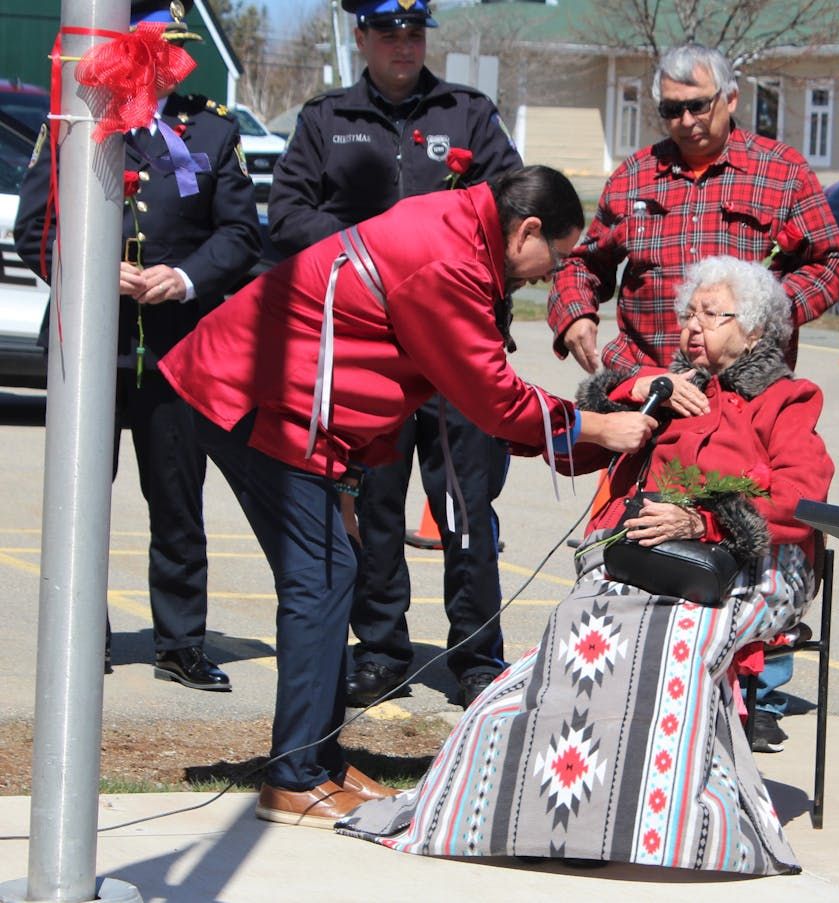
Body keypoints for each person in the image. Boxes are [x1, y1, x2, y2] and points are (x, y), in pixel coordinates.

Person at [158, 165, 657, 827]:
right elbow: (493, 398)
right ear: (526, 229)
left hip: (295, 411)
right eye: (555, 256)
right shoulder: (449, 260)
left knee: (334, 570)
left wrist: (345, 487)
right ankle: (296, 775)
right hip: (254, 394)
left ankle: (320, 760)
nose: (549, 273)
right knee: (323, 578)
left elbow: (374, 367)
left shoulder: (463, 236)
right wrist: (598, 427)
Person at [339, 255, 834, 874]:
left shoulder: (787, 397)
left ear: (756, 330)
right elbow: (567, 452)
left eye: (712, 315)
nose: (692, 327)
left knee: (665, 652)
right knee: (572, 650)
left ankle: (661, 824)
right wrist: (632, 394)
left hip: (746, 562)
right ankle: (544, 812)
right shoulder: (669, 391)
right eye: (688, 314)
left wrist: (705, 517)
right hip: (645, 560)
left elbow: (802, 494)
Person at [547, 42, 839, 750]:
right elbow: (582, 265)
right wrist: (579, 317)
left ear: (731, 99)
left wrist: (759, 315)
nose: (684, 120)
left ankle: (748, 693)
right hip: (654, 391)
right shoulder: (636, 176)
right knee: (633, 535)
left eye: (698, 104)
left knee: (728, 515)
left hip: (743, 395)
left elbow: (833, 262)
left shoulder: (780, 173)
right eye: (671, 108)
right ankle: (624, 698)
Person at [268, 0, 525, 711]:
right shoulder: (326, 120)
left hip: (453, 351)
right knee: (375, 507)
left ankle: (477, 654)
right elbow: (286, 217)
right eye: (389, 33)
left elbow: (515, 208)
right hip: (367, 353)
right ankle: (381, 650)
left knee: (464, 506)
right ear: (363, 38)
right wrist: (371, 243)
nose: (404, 45)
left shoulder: (468, 115)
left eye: (415, 33)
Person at [14, 0, 261, 687]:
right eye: (158, 48)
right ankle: (79, 635)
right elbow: (34, 226)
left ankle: (180, 643)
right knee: (81, 497)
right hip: (88, 349)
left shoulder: (211, 128)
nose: (172, 61)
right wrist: (94, 270)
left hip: (179, 349)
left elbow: (242, 236)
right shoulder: (80, 117)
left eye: (176, 49)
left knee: (178, 498)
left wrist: (184, 277)